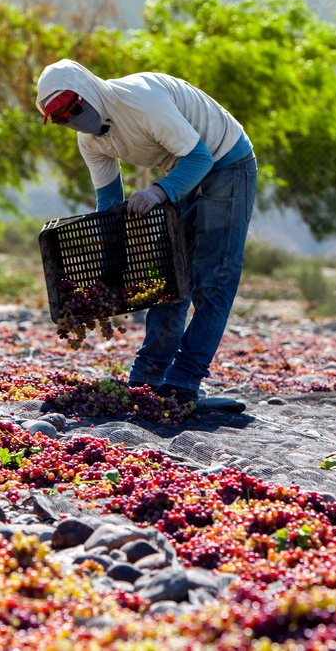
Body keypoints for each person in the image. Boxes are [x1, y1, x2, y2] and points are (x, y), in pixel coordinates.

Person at [36, 59, 257, 405]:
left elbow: (200, 158)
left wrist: (157, 193)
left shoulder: (140, 101)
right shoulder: (91, 142)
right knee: (169, 278)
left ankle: (185, 379)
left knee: (216, 275)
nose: (73, 120)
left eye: (74, 107)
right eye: (61, 118)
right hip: (179, 169)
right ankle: (148, 377)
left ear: (89, 91)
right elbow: (109, 205)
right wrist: (108, 274)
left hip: (226, 161)